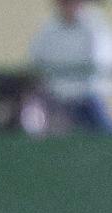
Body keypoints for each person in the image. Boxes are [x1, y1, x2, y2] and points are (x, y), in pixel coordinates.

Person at [29, 0, 112, 132]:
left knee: (104, 135)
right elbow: (35, 62)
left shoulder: (95, 28)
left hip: (85, 99)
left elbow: (98, 66)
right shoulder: (48, 29)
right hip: (52, 98)